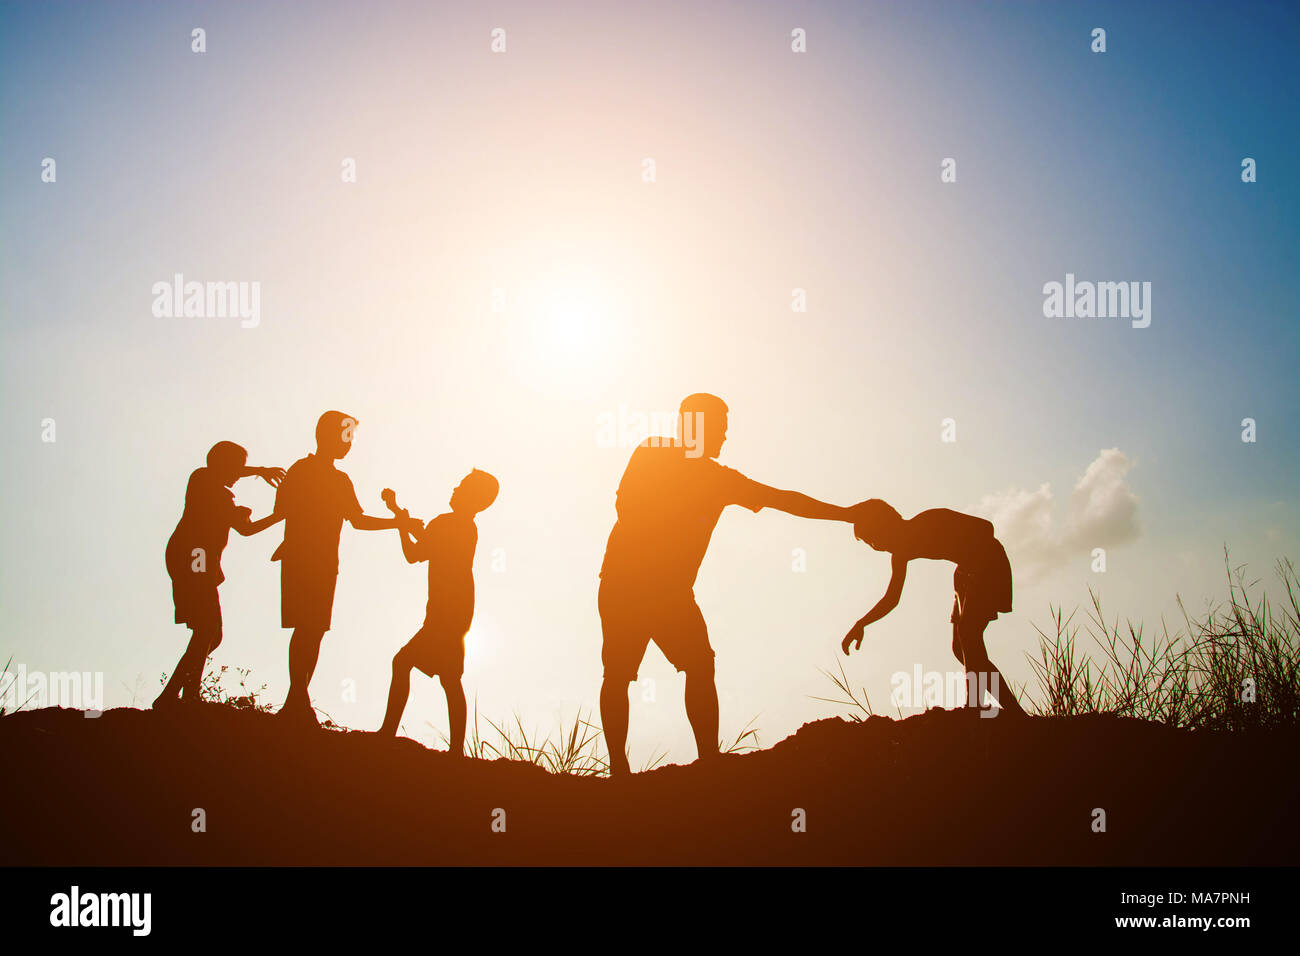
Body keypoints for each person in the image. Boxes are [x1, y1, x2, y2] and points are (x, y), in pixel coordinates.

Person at [598, 392, 854, 775]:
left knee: (699, 664)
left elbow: (781, 499)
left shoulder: (718, 479)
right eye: (719, 428)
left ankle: (708, 762)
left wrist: (847, 514)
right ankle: (620, 769)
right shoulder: (652, 453)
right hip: (627, 584)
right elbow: (626, 507)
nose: (723, 438)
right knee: (619, 674)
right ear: (695, 425)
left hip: (668, 592)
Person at [273, 410, 405, 726]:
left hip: (324, 561)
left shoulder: (338, 479)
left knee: (314, 629)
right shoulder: (303, 470)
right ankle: (297, 702)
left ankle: (296, 702)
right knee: (305, 628)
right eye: (346, 436)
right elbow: (283, 509)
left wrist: (396, 521)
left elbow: (357, 520)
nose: (349, 443)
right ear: (327, 435)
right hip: (303, 558)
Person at [841, 499, 1027, 717]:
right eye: (870, 544)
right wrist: (861, 623)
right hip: (965, 573)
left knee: (969, 635)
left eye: (874, 539)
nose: (877, 547)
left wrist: (964, 547)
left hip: (988, 562)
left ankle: (975, 706)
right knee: (961, 648)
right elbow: (892, 598)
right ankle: (1015, 712)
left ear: (886, 525)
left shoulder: (928, 521)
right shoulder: (900, 555)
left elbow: (986, 527)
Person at [155, 441, 284, 709]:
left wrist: (261, 481)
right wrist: (279, 513)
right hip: (194, 560)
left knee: (211, 633)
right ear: (224, 465)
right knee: (207, 629)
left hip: (196, 561)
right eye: (237, 468)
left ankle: (177, 695)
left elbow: (243, 527)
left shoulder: (211, 488)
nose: (239, 474)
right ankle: (181, 697)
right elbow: (246, 529)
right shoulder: (203, 480)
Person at [377, 470, 499, 752]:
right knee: (449, 677)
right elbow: (428, 541)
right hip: (457, 610)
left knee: (403, 663)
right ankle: (456, 749)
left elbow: (414, 553)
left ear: (474, 498)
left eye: (462, 487)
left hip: (445, 611)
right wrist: (399, 514)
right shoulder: (464, 527)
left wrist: (399, 522)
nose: (455, 488)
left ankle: (387, 733)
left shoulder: (449, 524)